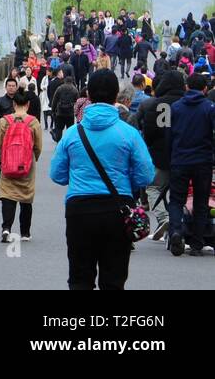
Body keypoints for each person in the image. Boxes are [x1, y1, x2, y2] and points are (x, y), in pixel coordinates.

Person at [49, 69, 155, 290]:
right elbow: (146, 174)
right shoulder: (129, 133)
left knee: (80, 278)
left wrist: (80, 175)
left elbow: (57, 175)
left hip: (80, 209)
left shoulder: (72, 134)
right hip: (118, 210)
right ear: (116, 95)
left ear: (88, 96)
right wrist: (126, 181)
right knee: (114, 279)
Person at [165, 73, 215, 257]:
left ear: (186, 87)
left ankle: (177, 231)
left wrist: (170, 157)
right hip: (203, 161)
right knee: (201, 202)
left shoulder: (175, 107)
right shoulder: (210, 108)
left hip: (179, 159)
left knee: (177, 200)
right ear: (204, 89)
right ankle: (197, 243)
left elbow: (168, 136)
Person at [136, 69, 185, 240]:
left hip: (160, 155)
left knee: (154, 188)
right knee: (180, 193)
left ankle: (164, 217)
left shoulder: (156, 104)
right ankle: (180, 223)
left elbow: (149, 132)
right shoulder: (185, 103)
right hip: (184, 155)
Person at [0, 88, 42, 242]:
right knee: (26, 198)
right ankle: (25, 233)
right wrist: (32, 159)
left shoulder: (4, 121)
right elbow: (38, 147)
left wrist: (3, 160)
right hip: (26, 166)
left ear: (13, 104)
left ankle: (6, 228)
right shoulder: (33, 122)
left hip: (8, 164)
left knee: (8, 195)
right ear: (28, 104)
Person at [50, 69, 79, 143]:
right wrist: (77, 113)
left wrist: (53, 110)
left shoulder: (60, 88)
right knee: (70, 129)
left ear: (65, 81)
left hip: (60, 112)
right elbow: (77, 102)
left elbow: (55, 100)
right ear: (72, 82)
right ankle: (69, 142)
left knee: (59, 128)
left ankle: (59, 142)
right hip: (70, 113)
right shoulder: (74, 90)